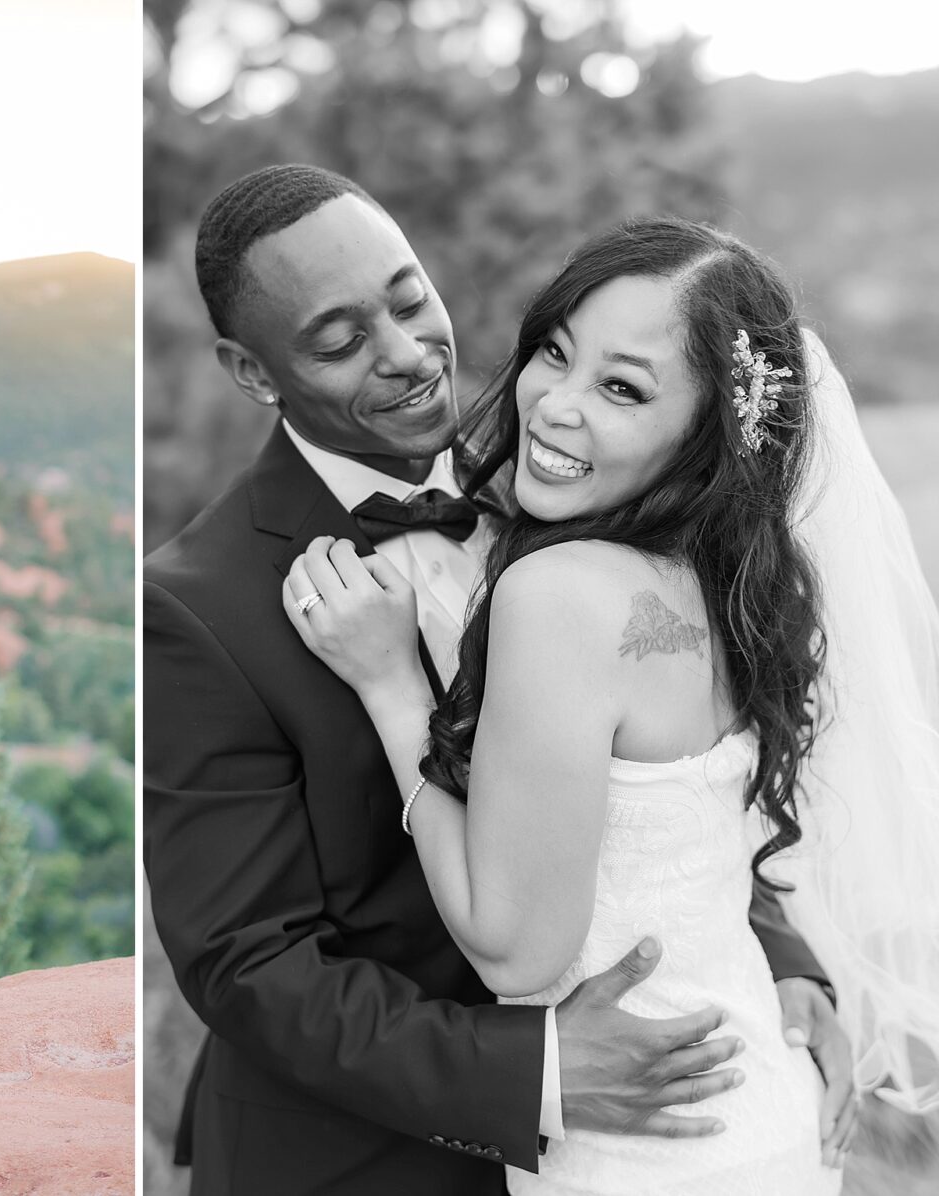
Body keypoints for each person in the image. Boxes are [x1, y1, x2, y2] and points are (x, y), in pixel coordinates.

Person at [143, 166, 854, 1194]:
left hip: (654, 1127)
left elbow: (667, 777)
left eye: (408, 299)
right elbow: (246, 964)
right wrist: (538, 1074)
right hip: (369, 1161)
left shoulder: (573, 472)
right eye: (340, 341)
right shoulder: (196, 607)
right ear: (253, 373)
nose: (405, 353)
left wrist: (785, 961)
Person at [286, 213, 939, 1190]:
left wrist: (389, 686)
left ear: (707, 431)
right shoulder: (735, 583)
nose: (554, 405)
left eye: (622, 388)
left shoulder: (558, 593)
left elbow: (514, 949)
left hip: (639, 1144)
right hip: (755, 1099)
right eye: (555, 352)